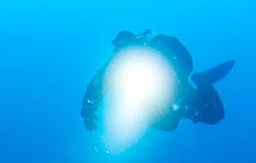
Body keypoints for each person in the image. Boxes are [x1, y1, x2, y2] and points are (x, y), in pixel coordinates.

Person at [81, 29, 234, 132]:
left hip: (176, 85)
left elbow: (183, 57)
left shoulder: (156, 45)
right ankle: (189, 98)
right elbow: (98, 83)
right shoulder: (115, 66)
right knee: (164, 124)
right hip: (154, 99)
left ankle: (203, 81)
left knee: (213, 116)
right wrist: (89, 107)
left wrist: (178, 74)